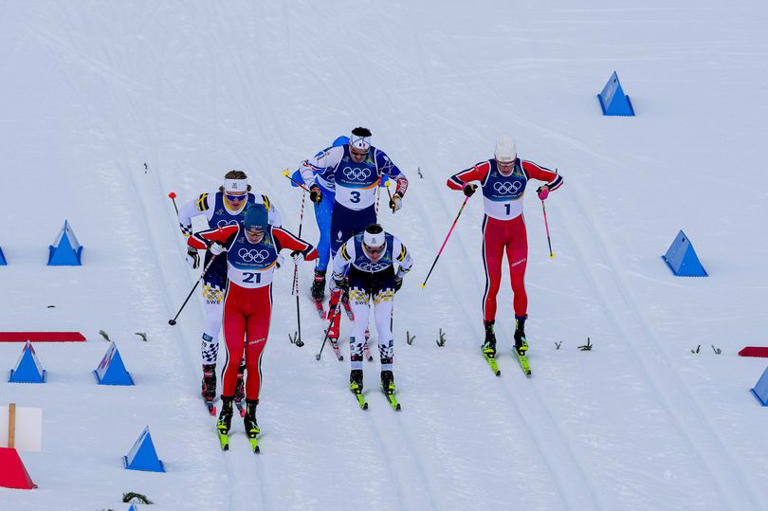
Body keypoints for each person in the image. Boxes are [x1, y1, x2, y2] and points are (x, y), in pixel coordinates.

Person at [188, 204, 318, 441]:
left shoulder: (276, 235)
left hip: (260, 311)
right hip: (234, 308)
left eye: (259, 233)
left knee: (254, 362)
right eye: (251, 232)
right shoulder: (233, 231)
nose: (255, 236)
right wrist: (211, 245)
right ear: (245, 225)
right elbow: (195, 239)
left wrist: (300, 254)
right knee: (234, 358)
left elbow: (311, 251)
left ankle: (251, 415)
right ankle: (226, 411)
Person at [446, 136, 563, 359]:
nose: (506, 168)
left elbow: (557, 179)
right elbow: (452, 180)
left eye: (509, 164)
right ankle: (489, 336)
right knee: (494, 285)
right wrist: (466, 187)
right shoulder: (485, 169)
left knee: (518, 284)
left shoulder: (525, 168)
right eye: (502, 164)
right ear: (496, 158)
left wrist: (546, 189)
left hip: (517, 233)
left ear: (515, 158)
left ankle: (520, 333)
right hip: (493, 234)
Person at [177, 170, 282, 406]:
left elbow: (277, 223)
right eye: (231, 197)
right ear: (224, 191)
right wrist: (192, 244)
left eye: (240, 197)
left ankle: (237, 376)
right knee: (214, 320)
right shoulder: (211, 200)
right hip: (216, 266)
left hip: (246, 269)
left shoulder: (258, 202)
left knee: (244, 325)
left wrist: (272, 249)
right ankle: (209, 374)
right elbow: (184, 213)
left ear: (248, 192)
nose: (235, 201)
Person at [299, 127, 409, 341]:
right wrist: (313, 187)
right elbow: (305, 165)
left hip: (366, 220)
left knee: (366, 268)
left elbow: (402, 179)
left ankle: (362, 321)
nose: (358, 157)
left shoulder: (377, 156)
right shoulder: (338, 153)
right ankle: (333, 317)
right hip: (341, 217)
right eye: (354, 153)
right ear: (349, 145)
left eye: (362, 154)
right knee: (338, 267)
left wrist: (398, 197)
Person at [330, 224, 413, 397]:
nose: (374, 255)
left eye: (378, 250)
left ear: (383, 245)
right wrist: (339, 279)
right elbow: (338, 262)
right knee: (360, 322)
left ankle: (387, 374)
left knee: (383, 324)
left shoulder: (394, 245)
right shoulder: (353, 245)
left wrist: (398, 278)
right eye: (370, 250)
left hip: (384, 279)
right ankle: (356, 373)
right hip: (359, 279)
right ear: (364, 245)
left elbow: (408, 263)